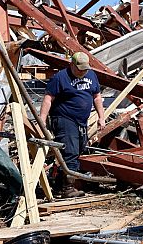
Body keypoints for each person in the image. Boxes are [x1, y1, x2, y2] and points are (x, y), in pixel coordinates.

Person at [39, 52, 106, 198]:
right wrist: (42, 120)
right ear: (72, 65)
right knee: (70, 152)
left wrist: (101, 117)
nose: (83, 72)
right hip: (63, 118)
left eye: (85, 69)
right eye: (80, 69)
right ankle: (67, 188)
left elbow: (97, 97)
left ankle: (58, 184)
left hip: (81, 122)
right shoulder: (60, 77)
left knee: (79, 149)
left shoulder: (91, 75)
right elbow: (48, 99)